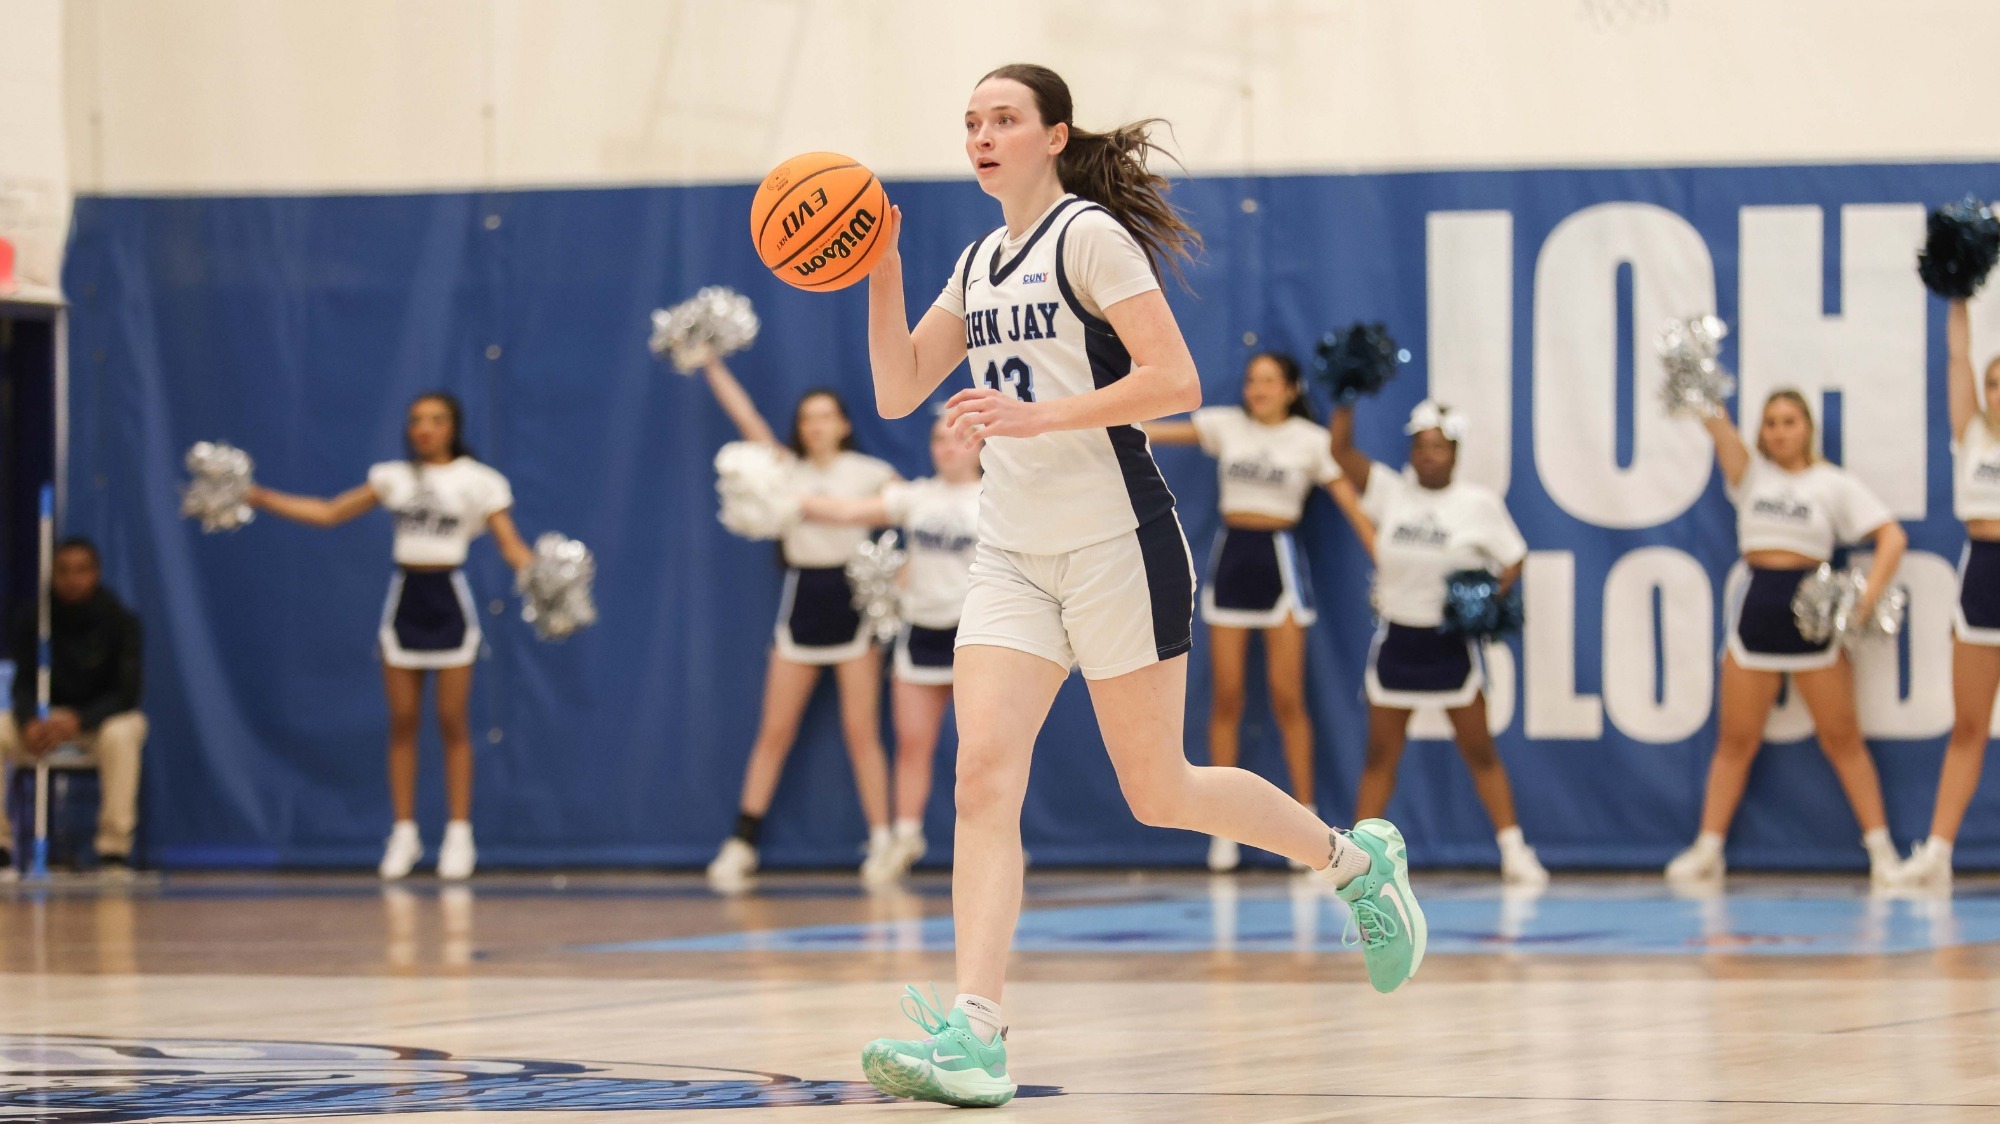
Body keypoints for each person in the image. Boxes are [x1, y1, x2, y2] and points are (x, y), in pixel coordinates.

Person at [855, 63, 1424, 1108]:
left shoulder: (1086, 237)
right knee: (981, 773)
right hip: (1012, 553)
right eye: (969, 121)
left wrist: (1041, 416)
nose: (981, 134)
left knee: (1158, 789)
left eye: (1003, 119)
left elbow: (1174, 380)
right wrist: (882, 269)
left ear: (1052, 134)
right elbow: (897, 388)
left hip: (1118, 538)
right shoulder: (976, 258)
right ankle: (975, 1031)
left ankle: (1351, 861)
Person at [248, 391, 533, 881]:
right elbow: (328, 511)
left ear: (453, 427)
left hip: (448, 599)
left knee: (452, 722)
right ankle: (404, 832)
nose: (424, 429)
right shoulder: (392, 477)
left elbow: (510, 546)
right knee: (402, 721)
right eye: (416, 421)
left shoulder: (478, 482)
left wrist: (544, 580)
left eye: (436, 420)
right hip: (405, 600)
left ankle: (459, 835)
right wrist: (255, 496)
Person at [1665, 390, 1907, 883]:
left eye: (1789, 421)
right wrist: (1699, 374)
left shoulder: (1832, 484)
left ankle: (1883, 854)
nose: (1780, 431)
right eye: (1771, 422)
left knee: (1843, 740)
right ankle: (1708, 850)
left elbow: (1891, 536)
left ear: (1808, 428)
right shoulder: (1751, 476)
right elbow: (1717, 425)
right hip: (1755, 619)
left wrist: (1865, 601)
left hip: (1812, 622)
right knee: (1735, 741)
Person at [1146, 352, 1364, 871]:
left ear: (1291, 389)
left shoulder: (1310, 441)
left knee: (1289, 699)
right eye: (1251, 380)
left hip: (1281, 562)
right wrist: (1087, 417)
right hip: (1233, 561)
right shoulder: (1225, 425)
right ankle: (1222, 830)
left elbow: (1351, 504)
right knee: (1226, 699)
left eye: (1269, 382)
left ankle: (1311, 832)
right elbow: (1151, 430)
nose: (1257, 389)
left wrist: (1387, 560)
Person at [692, 354, 901, 885]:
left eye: (826, 415)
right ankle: (742, 842)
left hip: (855, 605)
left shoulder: (872, 474)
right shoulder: (783, 470)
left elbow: (915, 515)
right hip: (802, 601)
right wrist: (711, 364)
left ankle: (882, 841)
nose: (816, 425)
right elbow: (748, 422)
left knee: (861, 732)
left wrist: (902, 582)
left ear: (845, 424)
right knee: (774, 731)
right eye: (808, 417)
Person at [1329, 398, 1548, 886]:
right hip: (1398, 643)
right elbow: (1340, 453)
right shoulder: (1390, 492)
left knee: (1480, 751)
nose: (1429, 455)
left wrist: (1485, 599)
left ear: (1455, 452)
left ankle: (1514, 851)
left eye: (1439, 447)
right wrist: (1346, 396)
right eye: (1421, 447)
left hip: (1449, 646)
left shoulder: (1477, 504)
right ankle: (1353, 861)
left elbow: (1513, 558)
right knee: (1380, 757)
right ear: (1411, 450)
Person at [797, 414, 983, 880]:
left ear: (981, 446)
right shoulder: (916, 496)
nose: (946, 448)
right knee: (911, 745)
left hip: (977, 635)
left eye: (958, 440)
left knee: (984, 750)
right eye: (939, 439)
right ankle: (904, 838)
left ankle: (994, 842)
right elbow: (846, 512)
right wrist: (781, 499)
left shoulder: (999, 499)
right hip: (920, 633)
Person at [1900, 300, 2000, 887]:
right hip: (1983, 578)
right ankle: (1937, 854)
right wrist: (1958, 296)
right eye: (1992, 382)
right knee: (1968, 725)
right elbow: (1957, 355)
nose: (1997, 390)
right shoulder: (1974, 436)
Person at [0, 538, 146, 877]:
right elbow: (22, 683)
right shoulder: (35, 620)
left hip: (97, 723)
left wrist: (79, 720)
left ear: (96, 573)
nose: (72, 579)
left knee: (124, 732)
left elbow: (127, 693)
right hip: (43, 722)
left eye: (81, 571)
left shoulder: (121, 622)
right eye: (63, 571)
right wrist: (27, 721)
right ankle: (3, 851)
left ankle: (114, 853)